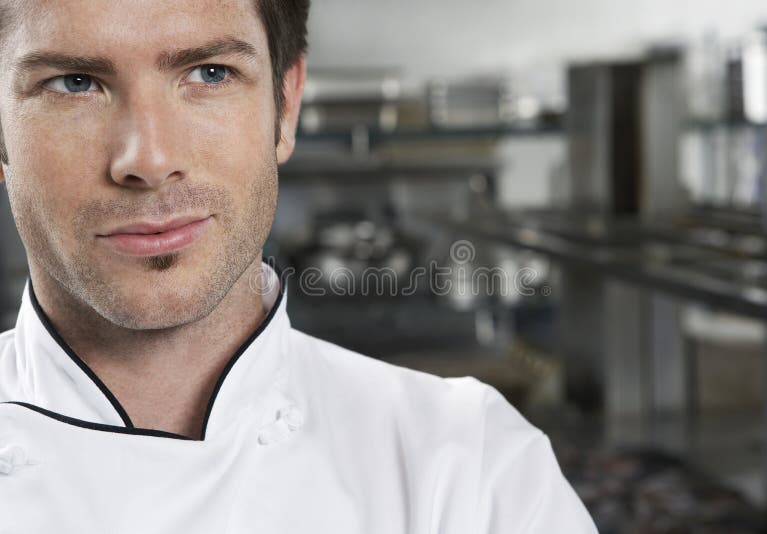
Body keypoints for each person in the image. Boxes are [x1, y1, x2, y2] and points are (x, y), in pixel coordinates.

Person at [0, 0, 597, 531]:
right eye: (73, 83)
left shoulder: (471, 469)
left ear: (285, 108)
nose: (150, 160)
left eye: (210, 74)